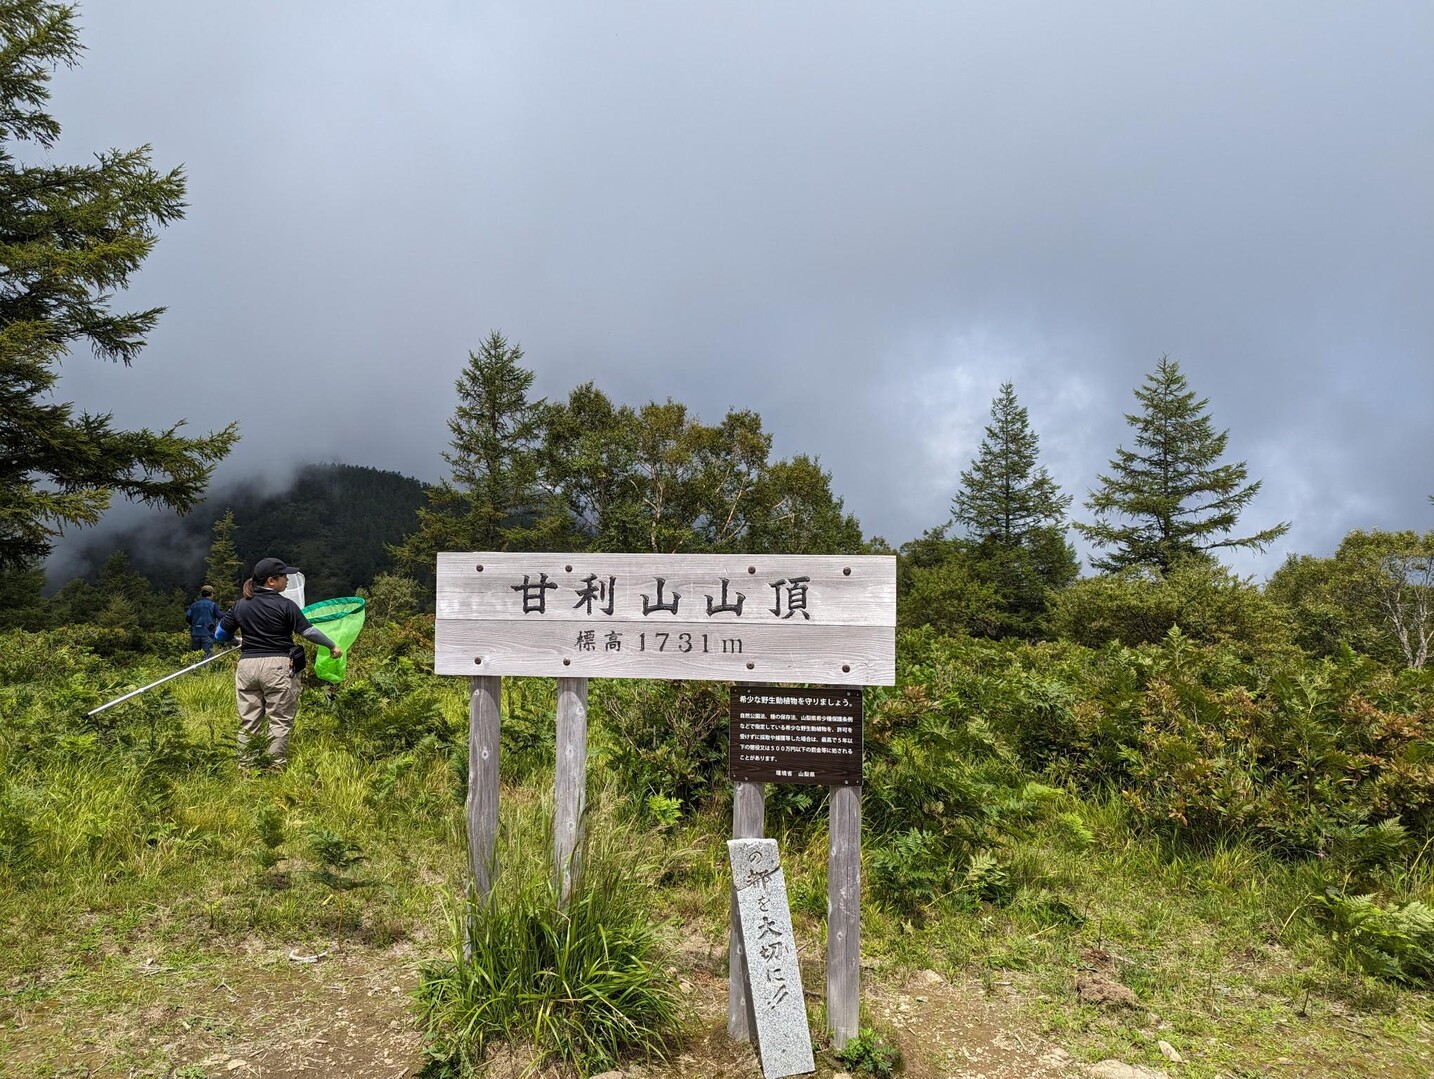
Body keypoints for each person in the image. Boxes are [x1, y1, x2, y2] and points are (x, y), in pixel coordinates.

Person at [215, 557, 342, 770]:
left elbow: (220, 635)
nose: (287, 581)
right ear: (272, 581)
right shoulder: (286, 605)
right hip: (278, 666)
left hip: (247, 666)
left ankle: (246, 767)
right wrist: (332, 646)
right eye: (284, 577)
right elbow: (308, 631)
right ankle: (274, 767)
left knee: (249, 721)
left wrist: (237, 640)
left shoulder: (240, 605)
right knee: (279, 720)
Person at [185, 585, 222, 656]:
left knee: (195, 657)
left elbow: (188, 618)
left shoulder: (193, 605)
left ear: (201, 594)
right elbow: (220, 616)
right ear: (211, 594)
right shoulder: (213, 605)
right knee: (207, 657)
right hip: (207, 634)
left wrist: (194, 625)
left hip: (195, 634)